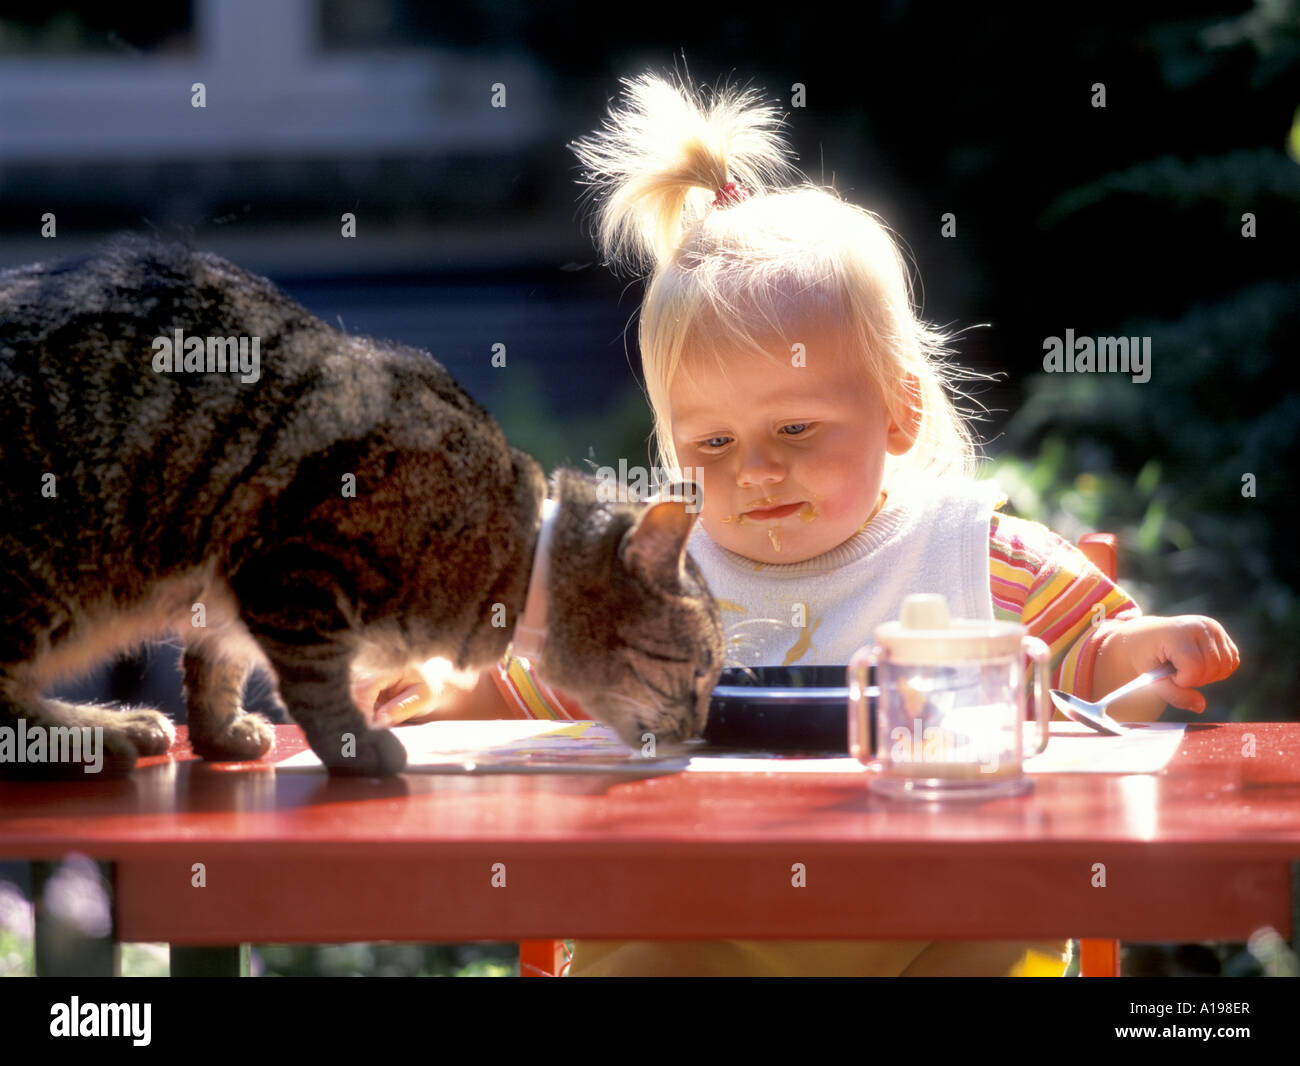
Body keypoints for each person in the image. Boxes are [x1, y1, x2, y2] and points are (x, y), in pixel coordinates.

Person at [355, 72, 1239, 976]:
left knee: (1003, 931)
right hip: (702, 918)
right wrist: (453, 690)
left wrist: (1145, 648)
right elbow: (547, 690)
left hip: (935, 917)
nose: (756, 469)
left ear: (896, 412)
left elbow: (1085, 662)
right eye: (714, 440)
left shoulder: (970, 554)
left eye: (794, 429)